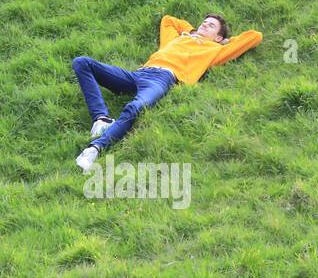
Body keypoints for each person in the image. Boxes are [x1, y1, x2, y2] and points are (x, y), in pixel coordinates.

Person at [72, 14, 261, 171]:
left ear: (218, 37)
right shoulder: (178, 38)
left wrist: (225, 41)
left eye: (211, 25)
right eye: (204, 21)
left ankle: (94, 149)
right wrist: (192, 32)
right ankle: (102, 118)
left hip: (163, 79)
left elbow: (254, 36)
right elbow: (168, 20)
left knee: (136, 107)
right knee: (82, 62)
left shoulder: (214, 50)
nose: (204, 24)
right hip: (140, 73)